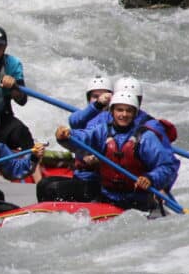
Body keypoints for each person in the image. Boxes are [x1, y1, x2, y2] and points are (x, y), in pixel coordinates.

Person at [51, 91, 179, 212]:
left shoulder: (146, 138)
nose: (124, 114)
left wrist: (150, 178)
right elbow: (82, 138)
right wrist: (67, 135)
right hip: (107, 197)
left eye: (129, 111)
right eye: (119, 110)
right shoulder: (102, 131)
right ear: (112, 111)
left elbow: (168, 166)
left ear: (135, 113)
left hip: (138, 201)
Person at [36, 76, 113, 202]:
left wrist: (99, 161)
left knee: (53, 189)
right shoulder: (83, 117)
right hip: (81, 176)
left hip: (98, 181)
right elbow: (74, 120)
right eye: (95, 96)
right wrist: (98, 104)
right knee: (43, 184)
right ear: (89, 99)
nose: (101, 99)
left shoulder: (113, 121)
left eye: (104, 96)